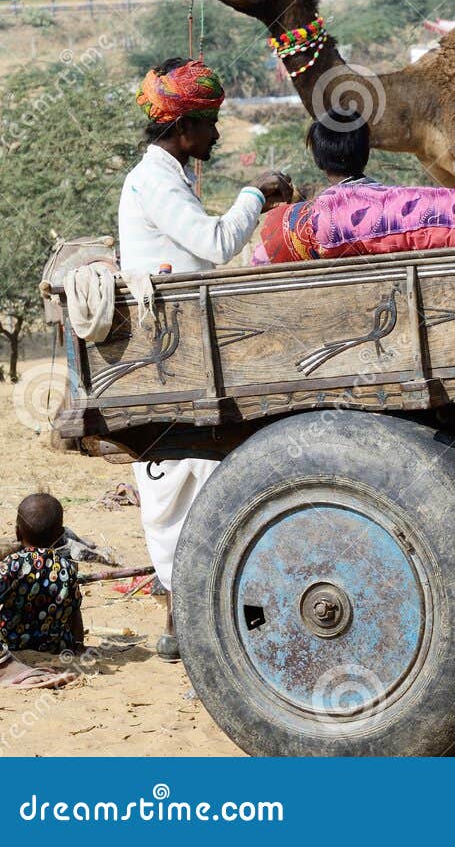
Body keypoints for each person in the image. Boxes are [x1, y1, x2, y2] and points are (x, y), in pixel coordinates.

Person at [118, 57, 292, 660]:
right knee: (182, 494)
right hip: (171, 360)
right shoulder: (157, 181)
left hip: (185, 351)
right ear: (184, 127)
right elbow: (217, 245)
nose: (216, 135)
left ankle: (200, 618)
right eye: (210, 123)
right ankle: (188, 620)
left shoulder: (167, 175)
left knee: (201, 491)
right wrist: (256, 194)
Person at [0, 494, 84, 690]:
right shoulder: (67, 568)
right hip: (55, 645)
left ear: (17, 533)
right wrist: (77, 643)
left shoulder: (11, 565)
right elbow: (74, 610)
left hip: (14, 642)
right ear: (61, 535)